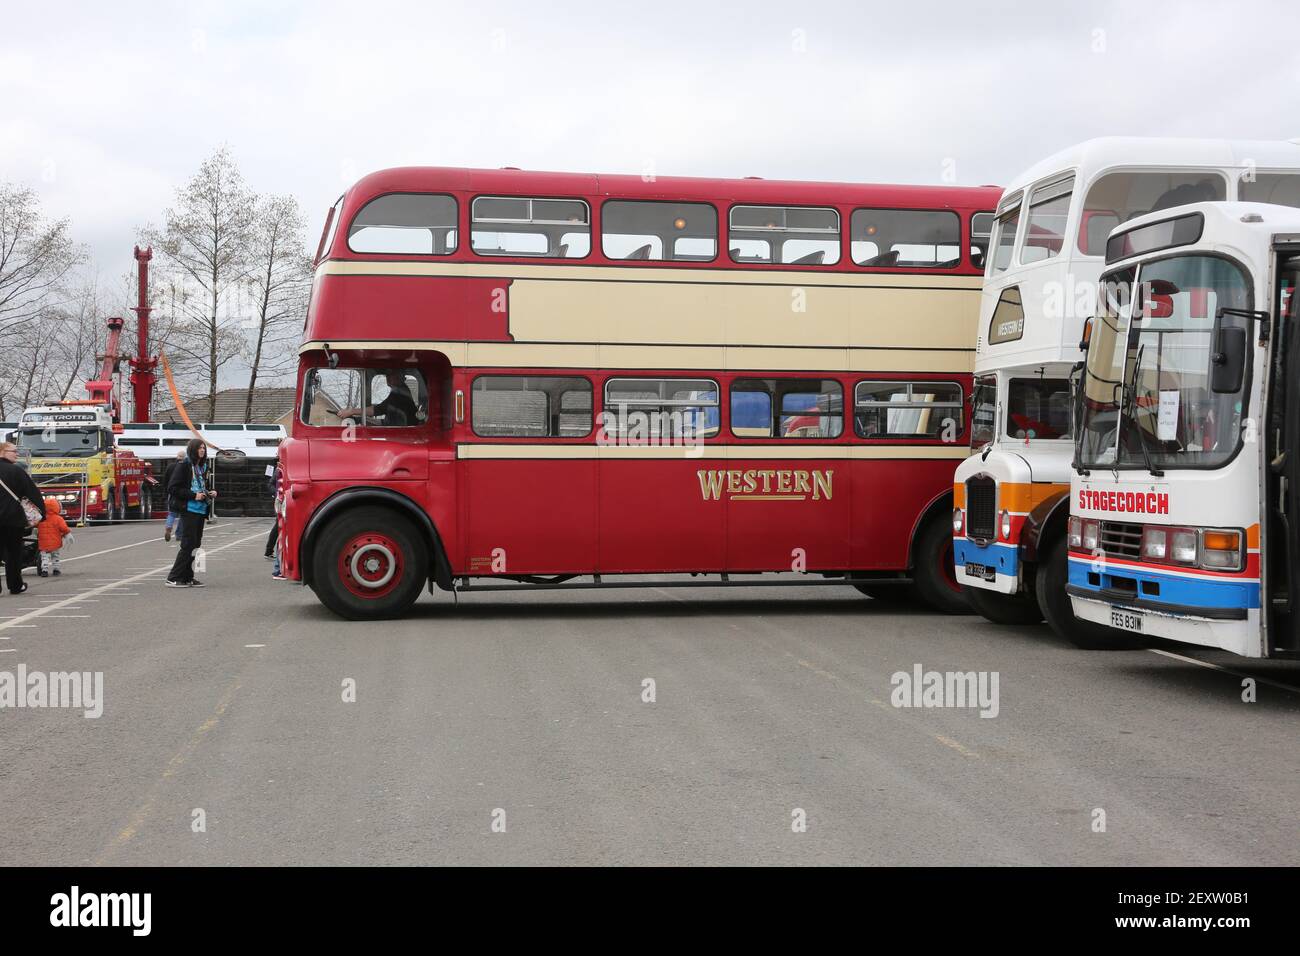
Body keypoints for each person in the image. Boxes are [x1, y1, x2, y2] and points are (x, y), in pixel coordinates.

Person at [165, 439, 217, 588]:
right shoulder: (184, 466)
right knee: (187, 544)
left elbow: (202, 486)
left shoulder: (202, 467)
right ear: (193, 450)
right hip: (189, 509)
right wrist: (194, 495)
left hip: (201, 510)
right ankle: (173, 577)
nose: (202, 450)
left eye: (203, 448)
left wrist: (209, 492)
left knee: (196, 544)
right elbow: (173, 488)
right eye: (199, 448)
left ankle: (188, 576)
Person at [0, 441, 45, 596]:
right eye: (14, 451)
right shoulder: (16, 471)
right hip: (13, 518)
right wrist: (41, 514)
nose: (17, 454)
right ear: (3, 452)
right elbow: (32, 494)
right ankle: (15, 585)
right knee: (13, 552)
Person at [333, 371, 417, 426]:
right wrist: (359, 419)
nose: (387, 378)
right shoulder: (397, 392)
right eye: (387, 375)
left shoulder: (399, 393)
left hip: (402, 435)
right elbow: (385, 420)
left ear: (400, 377)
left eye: (391, 375)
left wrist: (351, 411)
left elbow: (377, 410)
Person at [36, 497, 72, 577]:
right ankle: (56, 569)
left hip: (44, 542)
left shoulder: (41, 518)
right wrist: (68, 532)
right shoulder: (58, 519)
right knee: (55, 556)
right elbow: (64, 528)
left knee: (44, 557)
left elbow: (35, 524)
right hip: (55, 542)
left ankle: (44, 570)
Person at [161, 448, 185, 542]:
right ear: (184, 458)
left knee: (171, 513)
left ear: (177, 457)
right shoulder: (185, 467)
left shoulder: (170, 466)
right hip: (182, 494)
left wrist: (166, 491)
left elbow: (165, 480)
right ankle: (179, 534)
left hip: (172, 493)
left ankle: (168, 527)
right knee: (183, 515)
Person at [264, 458, 281, 559]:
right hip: (280, 500)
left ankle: (269, 550)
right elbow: (270, 484)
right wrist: (277, 493)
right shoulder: (278, 469)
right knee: (278, 525)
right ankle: (269, 550)